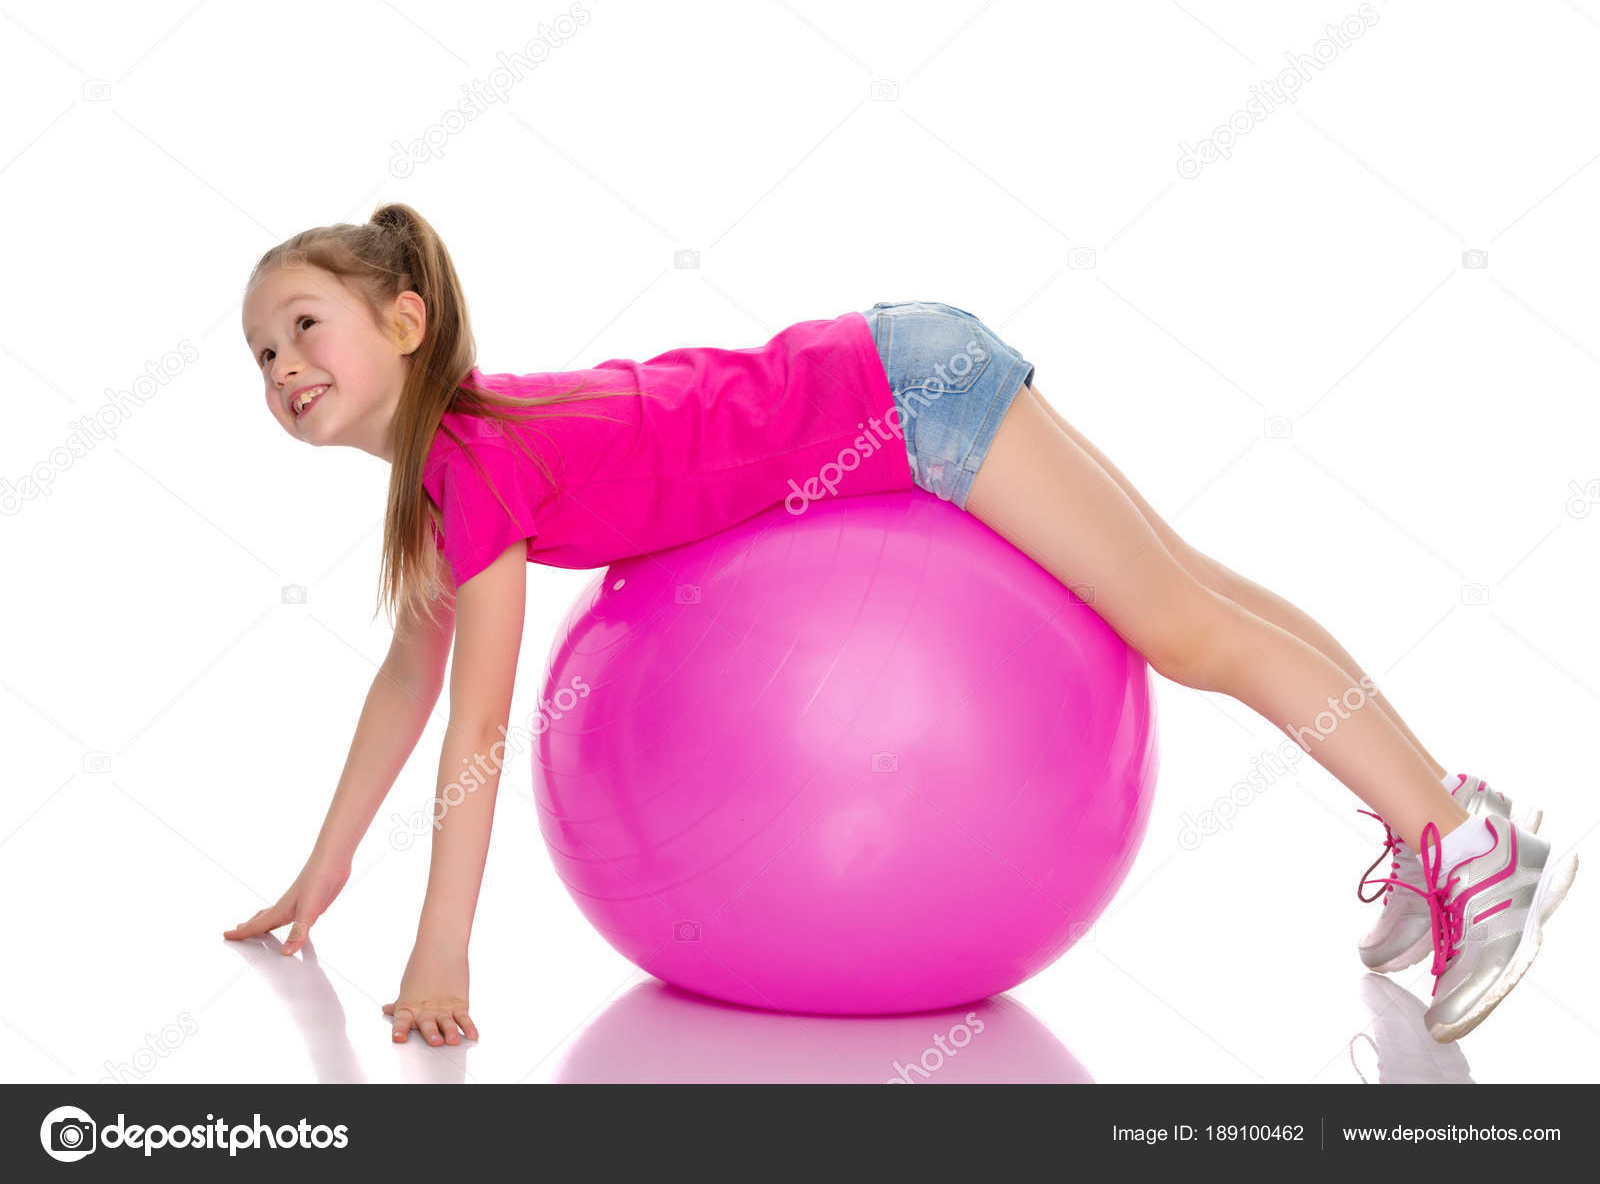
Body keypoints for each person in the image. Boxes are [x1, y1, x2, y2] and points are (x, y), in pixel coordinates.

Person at [225, 202, 1578, 1048]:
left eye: (304, 325)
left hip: (897, 400)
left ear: (405, 319)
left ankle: (1467, 848)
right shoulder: (453, 479)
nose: (283, 366)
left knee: (1184, 626)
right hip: (900, 364)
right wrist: (322, 872)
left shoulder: (475, 460)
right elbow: (410, 680)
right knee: (1197, 598)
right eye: (261, 353)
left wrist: (445, 950)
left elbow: (477, 725)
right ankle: (1446, 817)